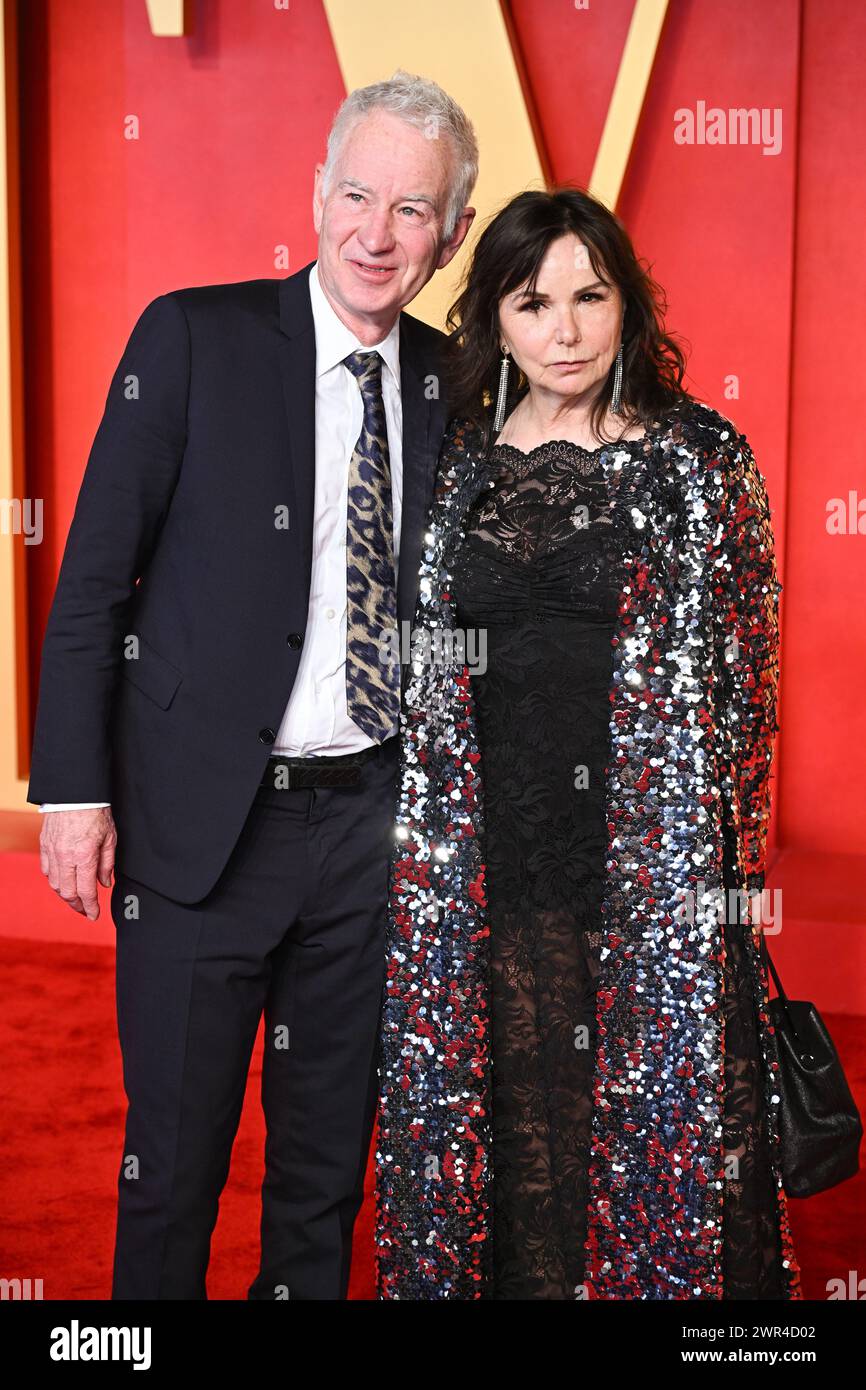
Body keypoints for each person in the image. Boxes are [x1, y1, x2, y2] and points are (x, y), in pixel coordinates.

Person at [27, 70, 477, 1300]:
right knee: (170, 1167)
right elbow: (92, 582)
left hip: (370, 838)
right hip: (197, 828)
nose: (374, 234)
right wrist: (71, 791)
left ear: (453, 233)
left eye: (412, 210)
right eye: (355, 194)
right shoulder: (191, 337)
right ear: (316, 191)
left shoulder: (457, 386)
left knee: (326, 1172)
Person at [375, 186, 803, 1300]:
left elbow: (746, 673)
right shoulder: (456, 456)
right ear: (494, 319)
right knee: (509, 1128)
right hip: (484, 859)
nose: (561, 332)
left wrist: (736, 869)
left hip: (643, 866)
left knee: (649, 1134)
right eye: (530, 304)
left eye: (586, 297)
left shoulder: (700, 458)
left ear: (627, 304)